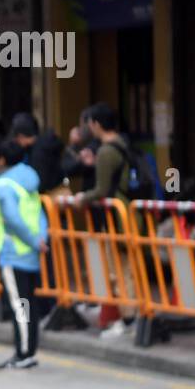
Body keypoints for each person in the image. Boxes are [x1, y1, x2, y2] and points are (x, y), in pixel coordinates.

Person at [73, 102, 140, 338]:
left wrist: (82, 198)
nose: (89, 127)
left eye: (90, 123)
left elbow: (101, 189)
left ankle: (129, 319)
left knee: (118, 270)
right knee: (127, 269)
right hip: (129, 214)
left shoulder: (106, 151)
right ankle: (131, 318)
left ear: (97, 124)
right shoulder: (122, 144)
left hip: (116, 218)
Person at [0, 139, 49, 369]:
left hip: (13, 253)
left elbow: (12, 220)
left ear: (1, 159)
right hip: (32, 253)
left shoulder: (4, 185)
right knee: (28, 303)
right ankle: (27, 350)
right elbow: (40, 213)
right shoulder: (29, 180)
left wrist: (34, 241)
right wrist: (39, 241)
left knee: (20, 306)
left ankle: (24, 353)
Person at [8, 112, 64, 194]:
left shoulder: (39, 152)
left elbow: (39, 183)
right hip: (56, 191)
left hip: (51, 196)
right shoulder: (42, 144)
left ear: (21, 137)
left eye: (17, 139)